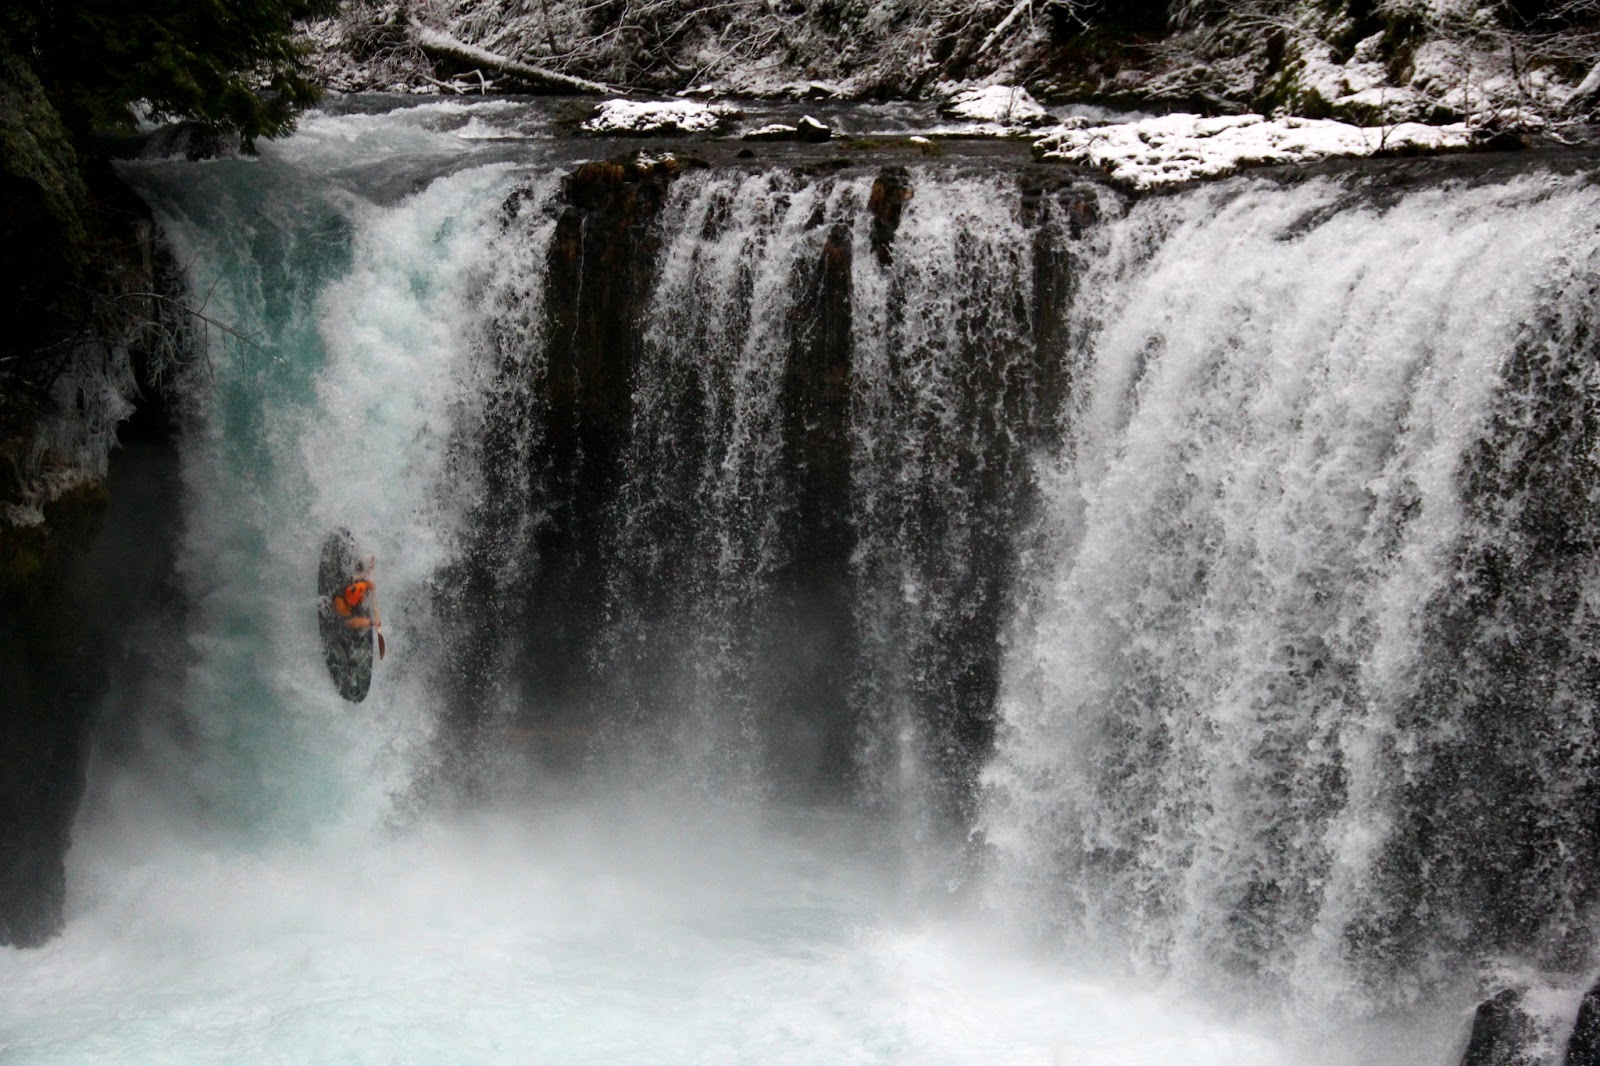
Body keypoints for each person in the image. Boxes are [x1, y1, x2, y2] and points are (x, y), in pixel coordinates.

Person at [331, 555, 385, 658]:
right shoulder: (345, 610)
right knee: (356, 634)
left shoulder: (349, 587)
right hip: (341, 624)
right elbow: (353, 622)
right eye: (361, 592)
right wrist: (372, 622)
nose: (362, 591)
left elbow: (360, 578)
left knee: (357, 571)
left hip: (348, 601)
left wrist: (370, 568)